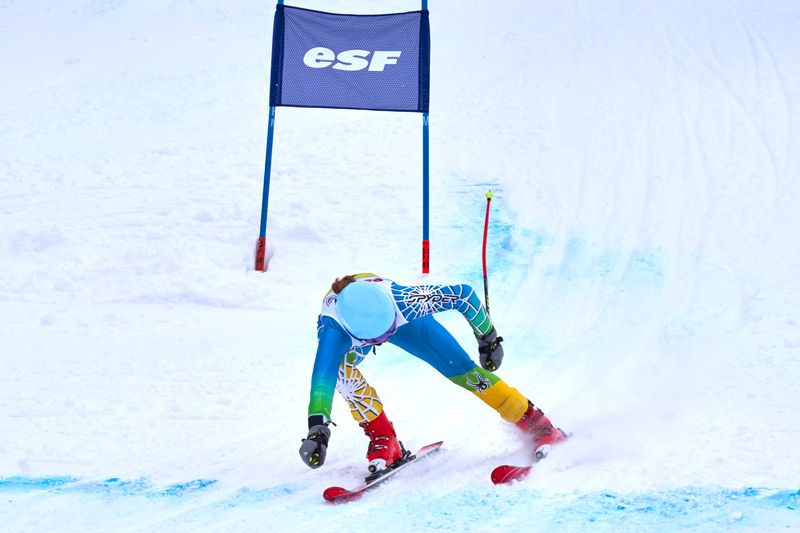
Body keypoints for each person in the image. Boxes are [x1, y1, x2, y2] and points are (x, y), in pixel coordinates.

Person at [298, 273, 567, 473]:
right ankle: (384, 437)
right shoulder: (334, 333)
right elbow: (322, 380)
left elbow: (463, 295)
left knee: (464, 372)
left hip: (402, 319)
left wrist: (488, 338)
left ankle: (537, 424)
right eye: (379, 338)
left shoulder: (405, 302)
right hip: (355, 333)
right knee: (340, 373)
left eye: (388, 331)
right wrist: (318, 430)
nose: (386, 338)